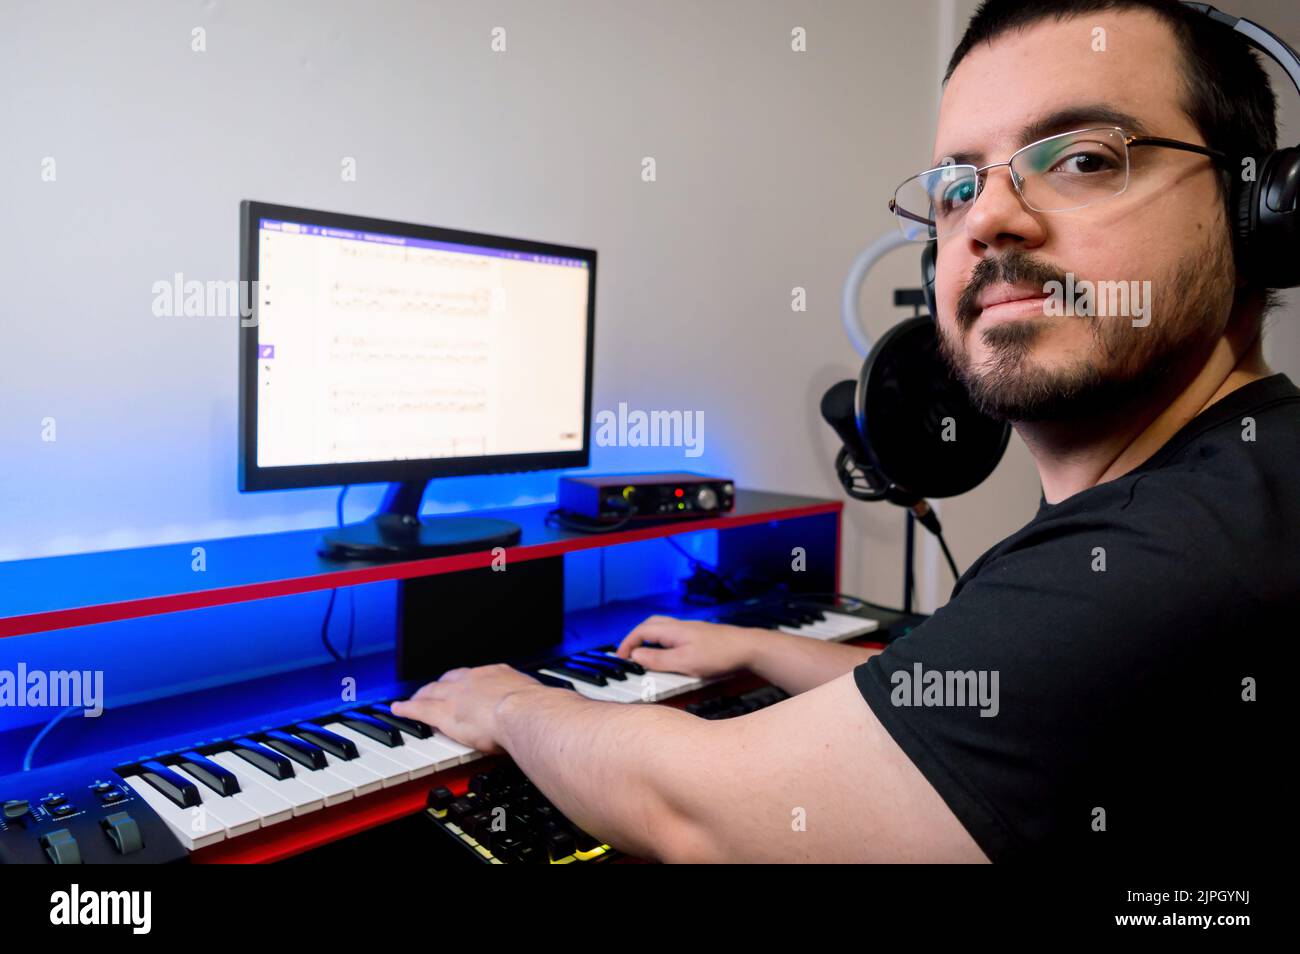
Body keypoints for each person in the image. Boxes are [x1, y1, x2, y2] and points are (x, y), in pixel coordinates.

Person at [393, 0, 1295, 862]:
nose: (986, 220)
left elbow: (697, 812)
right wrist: (762, 649)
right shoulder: (1232, 487)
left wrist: (513, 705)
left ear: (1261, 216)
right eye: (953, 187)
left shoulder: (1181, 553)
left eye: (1084, 160)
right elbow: (974, 709)